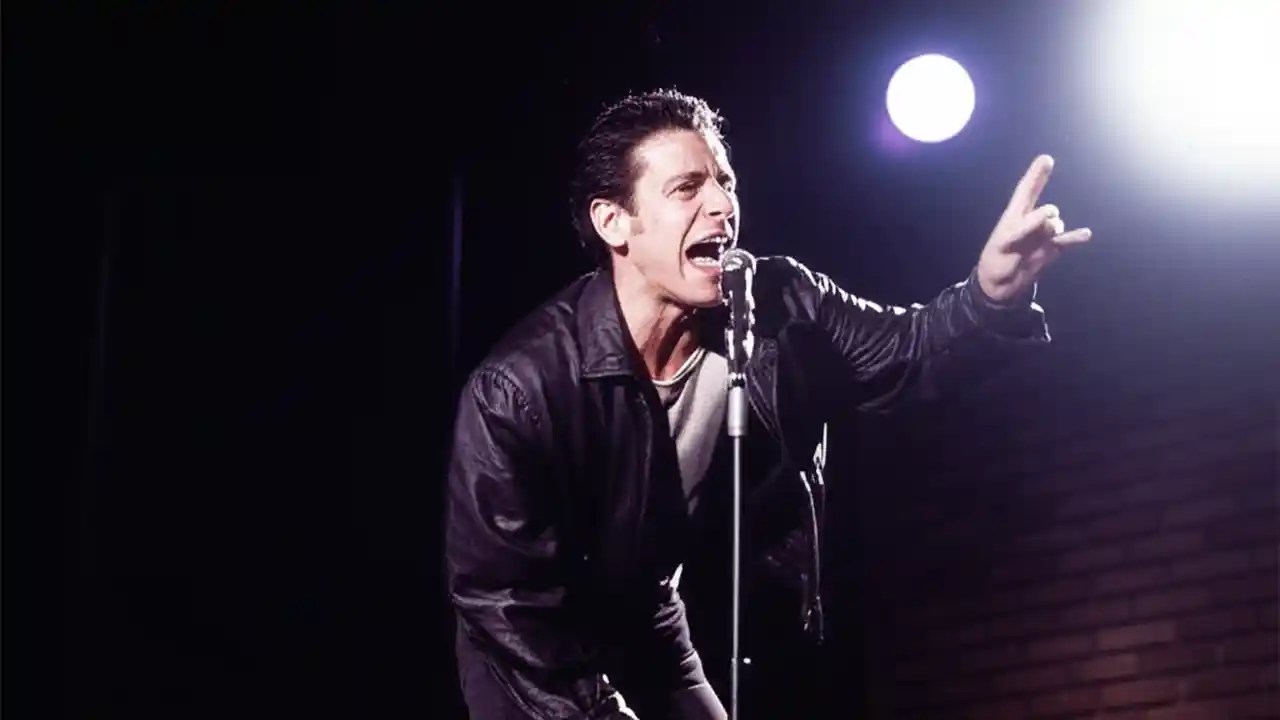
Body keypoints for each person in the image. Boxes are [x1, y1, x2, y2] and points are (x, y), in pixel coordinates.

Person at [444, 88, 1090, 719]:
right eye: (686, 188)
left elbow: (909, 349)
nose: (722, 206)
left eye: (726, 183)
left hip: (648, 620)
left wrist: (991, 296)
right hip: (535, 654)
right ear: (613, 221)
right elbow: (506, 600)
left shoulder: (778, 305)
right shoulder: (521, 390)